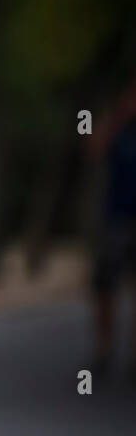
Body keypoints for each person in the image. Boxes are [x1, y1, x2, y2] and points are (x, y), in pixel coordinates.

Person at [88, 77, 136, 376]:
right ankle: (104, 352)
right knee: (105, 287)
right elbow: (93, 149)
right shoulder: (118, 127)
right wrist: (119, 115)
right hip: (116, 218)